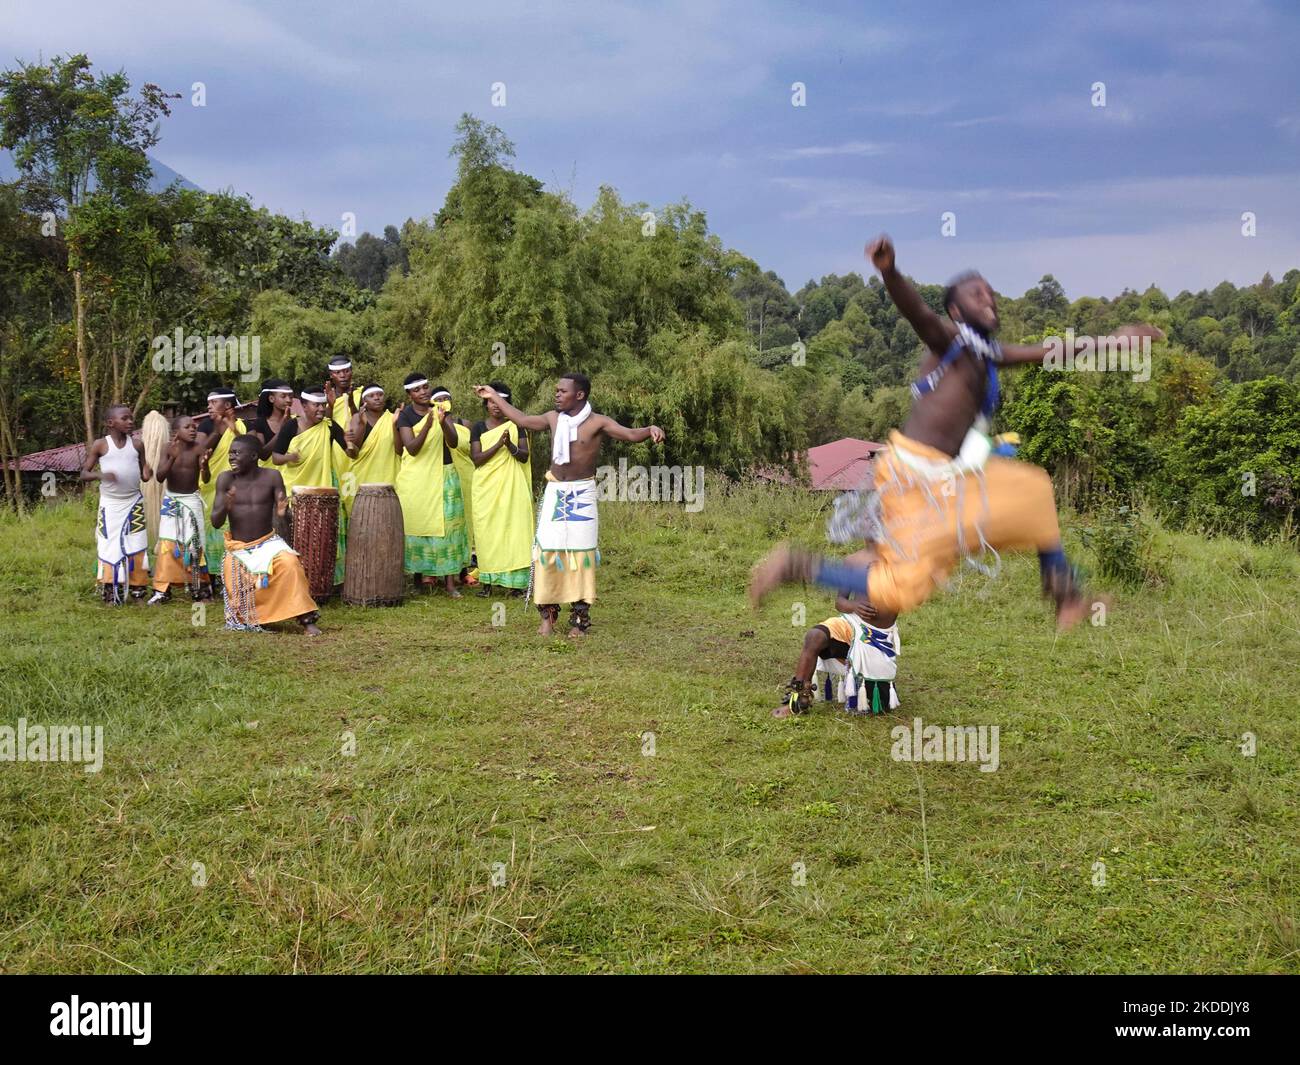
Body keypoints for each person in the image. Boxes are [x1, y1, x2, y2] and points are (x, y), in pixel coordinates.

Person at [750, 236, 1162, 630]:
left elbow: (1051, 352)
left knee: (1034, 490)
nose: (990, 300)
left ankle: (1063, 592)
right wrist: (890, 271)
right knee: (906, 586)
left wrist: (1113, 341)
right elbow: (918, 314)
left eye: (992, 294)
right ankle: (798, 566)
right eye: (977, 295)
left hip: (945, 478)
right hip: (910, 475)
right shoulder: (948, 341)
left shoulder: (991, 355)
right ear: (957, 313)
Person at [473, 375, 664, 636]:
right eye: (557, 391)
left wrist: (650, 428)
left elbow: (629, 434)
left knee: (581, 556)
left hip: (582, 495)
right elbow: (523, 419)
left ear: (580, 395)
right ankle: (547, 616)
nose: (557, 395)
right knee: (547, 553)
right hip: (555, 492)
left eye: (563, 391)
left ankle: (579, 620)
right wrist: (493, 397)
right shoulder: (553, 418)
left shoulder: (597, 422)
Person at [210, 435, 321, 635]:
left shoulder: (272, 477)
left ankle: (306, 619)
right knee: (231, 569)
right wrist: (225, 504)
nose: (231, 457)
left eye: (236, 453)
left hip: (268, 542)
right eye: (230, 453)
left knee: (290, 564)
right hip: (239, 547)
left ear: (254, 456)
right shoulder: (225, 479)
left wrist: (282, 512)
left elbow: (285, 516)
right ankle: (253, 618)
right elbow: (216, 522)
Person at [776, 550, 900, 719]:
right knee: (815, 636)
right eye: (867, 522)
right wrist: (855, 606)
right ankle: (799, 700)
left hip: (878, 638)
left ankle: (859, 681)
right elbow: (840, 602)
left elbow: (911, 598)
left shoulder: (901, 561)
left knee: (879, 708)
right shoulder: (853, 560)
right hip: (850, 623)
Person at [394, 377, 469, 596]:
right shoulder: (406, 416)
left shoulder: (438, 409)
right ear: (410, 395)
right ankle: (418, 580)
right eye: (417, 390)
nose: (423, 392)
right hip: (418, 480)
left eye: (425, 387)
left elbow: (453, 442)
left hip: (445, 474)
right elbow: (412, 447)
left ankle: (450, 583)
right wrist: (427, 424)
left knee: (448, 529)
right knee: (418, 525)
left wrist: (443, 421)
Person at [270, 388, 349, 586]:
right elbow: (276, 457)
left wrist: (353, 442)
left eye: (323, 405)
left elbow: (350, 451)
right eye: (317, 405)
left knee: (321, 540)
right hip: (294, 491)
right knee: (294, 537)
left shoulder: (330, 426)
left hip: (321, 492)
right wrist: (290, 457)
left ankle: (320, 581)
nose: (321, 409)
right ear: (304, 406)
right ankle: (290, 581)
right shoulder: (290, 426)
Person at [80, 404, 152, 603]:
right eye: (125, 418)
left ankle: (137, 588)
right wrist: (101, 475)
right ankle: (111, 588)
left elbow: (145, 473)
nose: (130, 422)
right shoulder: (101, 445)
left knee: (137, 542)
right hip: (110, 505)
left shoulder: (137, 445)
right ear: (110, 423)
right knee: (109, 544)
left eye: (131, 418)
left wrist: (148, 472)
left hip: (133, 503)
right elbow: (84, 473)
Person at [469, 382, 532, 596]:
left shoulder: (517, 425)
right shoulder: (478, 427)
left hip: (512, 486)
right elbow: (477, 459)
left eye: (500, 401)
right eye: (491, 401)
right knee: (488, 532)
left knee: (514, 532)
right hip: (486, 487)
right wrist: (498, 444)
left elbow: (524, 456)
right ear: (486, 403)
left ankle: (516, 585)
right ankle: (487, 583)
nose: (496, 406)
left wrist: (509, 445)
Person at [148, 415, 214, 603]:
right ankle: (163, 589)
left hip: (192, 500)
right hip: (172, 500)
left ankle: (199, 588)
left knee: (195, 544)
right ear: (176, 432)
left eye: (194, 426)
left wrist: (205, 466)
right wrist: (172, 458)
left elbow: (206, 478)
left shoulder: (199, 449)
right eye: (188, 427)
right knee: (168, 543)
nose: (193, 429)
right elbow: (160, 477)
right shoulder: (167, 448)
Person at [196, 387, 248, 588]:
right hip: (210, 485)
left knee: (232, 529)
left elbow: (246, 446)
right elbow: (199, 452)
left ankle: (230, 572)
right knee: (211, 529)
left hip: (236, 487)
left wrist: (231, 427)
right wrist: (218, 429)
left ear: (227, 405)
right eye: (208, 403)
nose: (209, 407)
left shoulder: (241, 426)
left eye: (213, 403)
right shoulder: (206, 425)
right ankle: (209, 575)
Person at [344, 384, 401, 486]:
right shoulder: (357, 418)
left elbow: (400, 451)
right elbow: (353, 454)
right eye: (371, 396)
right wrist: (362, 425)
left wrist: (394, 425)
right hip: (362, 480)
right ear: (363, 401)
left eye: (380, 394)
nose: (377, 398)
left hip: (389, 479)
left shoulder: (393, 418)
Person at [247, 379, 294, 464]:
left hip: (293, 474)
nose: (288, 400)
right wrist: (282, 430)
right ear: (271, 398)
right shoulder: (259, 424)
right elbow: (263, 455)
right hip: (270, 476)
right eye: (283, 396)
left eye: (291, 396)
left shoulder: (297, 421)